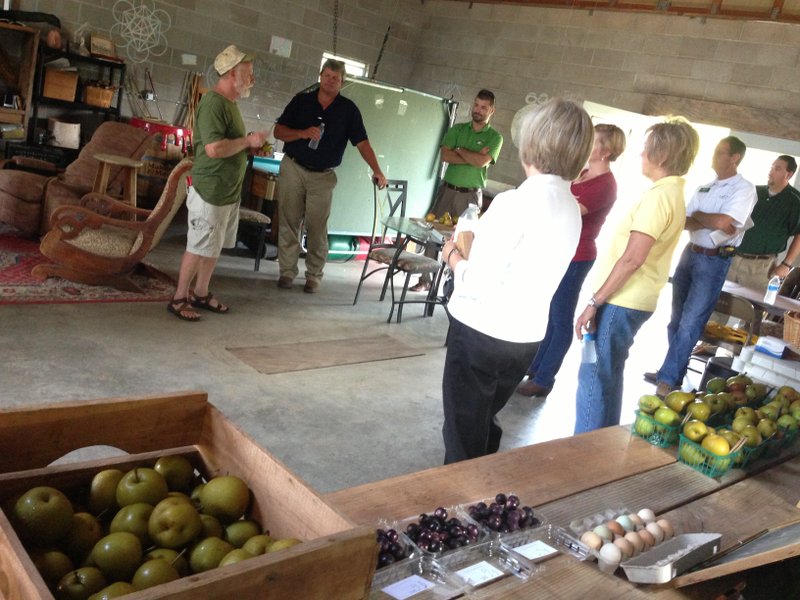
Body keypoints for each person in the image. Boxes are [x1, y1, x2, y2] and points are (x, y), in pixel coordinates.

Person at [440, 98, 594, 464]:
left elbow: (475, 284)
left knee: (462, 435)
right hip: (525, 338)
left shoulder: (514, 203)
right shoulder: (570, 205)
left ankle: (459, 507)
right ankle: (483, 491)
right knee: (485, 421)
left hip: (483, 333)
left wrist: (453, 257)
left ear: (530, 143)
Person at [574, 117, 700, 434]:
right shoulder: (669, 193)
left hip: (621, 300)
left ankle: (579, 453)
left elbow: (632, 258)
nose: (640, 156)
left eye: (645, 151)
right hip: (631, 299)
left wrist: (594, 301)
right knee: (607, 373)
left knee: (594, 373)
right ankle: (599, 443)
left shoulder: (660, 197)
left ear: (662, 157)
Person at [517, 124, 626, 398]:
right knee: (549, 314)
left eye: (596, 141)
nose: (589, 145)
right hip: (560, 250)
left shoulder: (606, 184)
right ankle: (536, 366)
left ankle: (544, 378)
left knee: (560, 318)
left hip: (577, 255)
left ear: (607, 151)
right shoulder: (584, 173)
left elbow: (565, 209)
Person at [646, 137, 756, 398]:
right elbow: (684, 222)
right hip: (690, 254)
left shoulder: (744, 189)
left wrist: (702, 219)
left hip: (715, 259)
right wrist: (707, 221)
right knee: (675, 320)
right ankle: (672, 373)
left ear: (735, 158)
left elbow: (725, 221)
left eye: (720, 152)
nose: (713, 156)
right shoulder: (705, 187)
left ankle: (668, 379)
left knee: (691, 322)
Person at [168, 45, 269, 321]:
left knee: (213, 247)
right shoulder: (213, 103)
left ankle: (200, 293)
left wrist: (247, 145)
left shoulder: (230, 104)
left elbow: (229, 145)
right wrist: (247, 141)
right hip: (210, 190)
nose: (252, 79)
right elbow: (213, 149)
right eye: (248, 74)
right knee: (198, 245)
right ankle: (179, 297)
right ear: (232, 74)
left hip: (226, 192)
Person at [274, 59, 387, 293]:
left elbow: (362, 143)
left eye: (336, 78)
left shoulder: (348, 110)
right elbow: (279, 131)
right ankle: (286, 272)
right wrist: (302, 133)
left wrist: (377, 169)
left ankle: (314, 275)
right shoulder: (301, 101)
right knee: (289, 221)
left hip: (323, 176)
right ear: (320, 75)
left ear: (342, 82)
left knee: (317, 227)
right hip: (293, 167)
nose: (331, 80)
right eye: (327, 75)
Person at [410, 89, 503, 292]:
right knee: (433, 234)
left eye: (483, 107)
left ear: (492, 111)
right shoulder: (458, 129)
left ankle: (453, 286)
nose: (478, 110)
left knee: (464, 240)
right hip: (448, 190)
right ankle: (426, 280)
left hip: (470, 195)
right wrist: (470, 154)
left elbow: (481, 162)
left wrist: (460, 150)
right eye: (476, 105)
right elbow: (445, 155)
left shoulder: (495, 138)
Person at [726, 155, 800, 291]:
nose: (771, 171)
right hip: (732, 258)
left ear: (788, 174)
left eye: (777, 169)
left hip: (761, 267)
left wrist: (786, 265)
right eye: (771, 167)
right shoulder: (754, 191)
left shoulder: (795, 201)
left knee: (754, 310)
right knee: (718, 305)